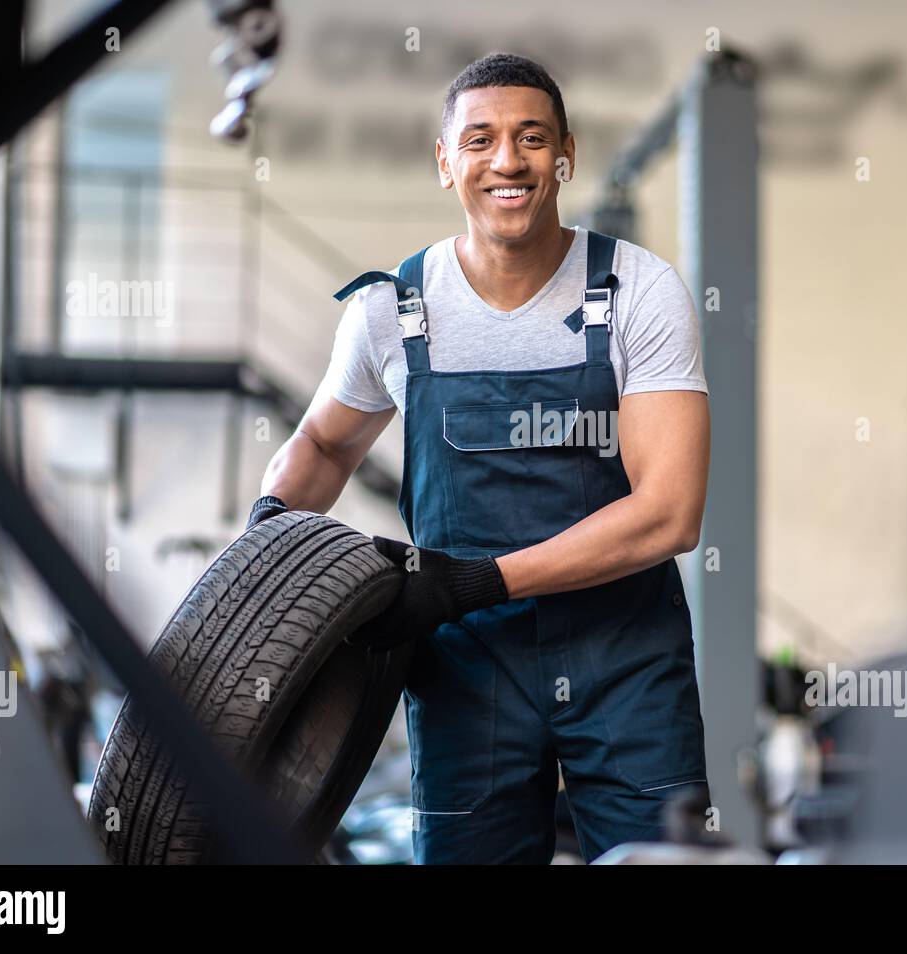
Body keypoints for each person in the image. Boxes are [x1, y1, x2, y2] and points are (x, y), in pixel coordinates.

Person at [248, 52, 711, 864]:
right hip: (467, 675)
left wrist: (476, 581)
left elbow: (669, 513)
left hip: (627, 669)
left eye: (532, 138)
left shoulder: (638, 291)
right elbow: (322, 441)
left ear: (565, 154)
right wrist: (263, 547)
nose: (507, 161)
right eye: (481, 140)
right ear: (444, 161)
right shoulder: (393, 310)